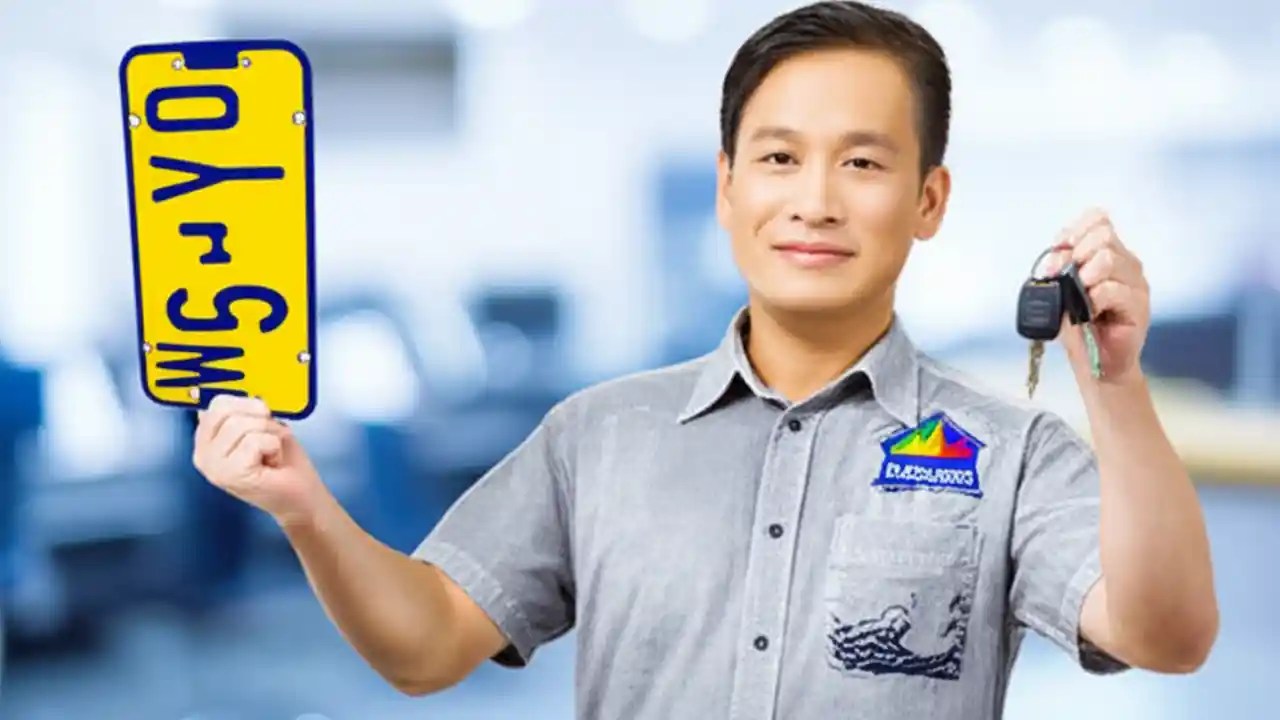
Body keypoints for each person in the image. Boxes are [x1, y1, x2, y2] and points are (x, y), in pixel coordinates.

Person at [191, 2, 1219, 717]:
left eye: (860, 162)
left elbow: (1164, 636)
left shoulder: (1008, 452)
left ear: (927, 201)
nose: (813, 198)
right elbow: (424, 649)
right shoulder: (595, 437)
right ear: (728, 186)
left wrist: (1113, 388)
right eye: (777, 158)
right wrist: (305, 511)